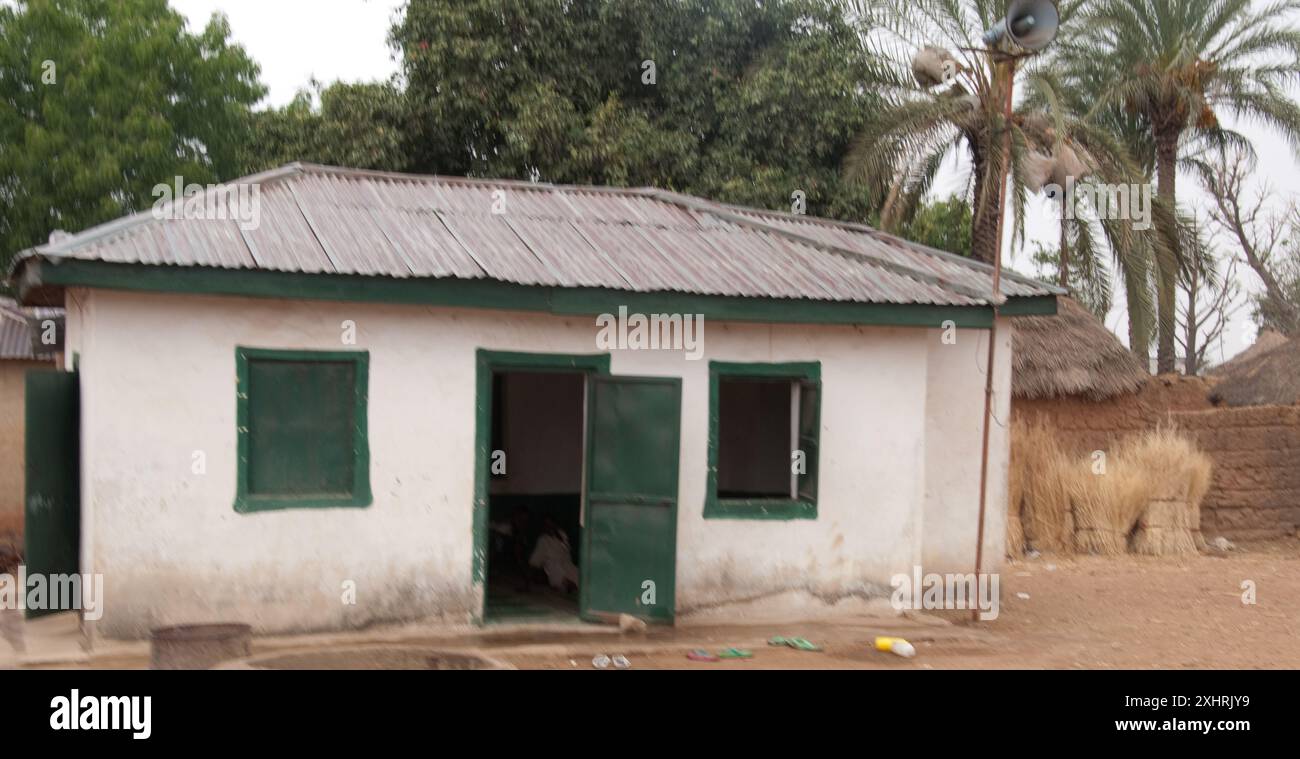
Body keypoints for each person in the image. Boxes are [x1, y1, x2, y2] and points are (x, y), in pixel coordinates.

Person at [529, 517, 578, 594]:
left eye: (551, 524)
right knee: (556, 569)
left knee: (577, 576)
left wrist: (560, 538)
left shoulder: (561, 534)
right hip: (553, 566)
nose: (549, 527)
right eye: (546, 525)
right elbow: (535, 561)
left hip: (566, 563)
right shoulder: (543, 539)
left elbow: (567, 550)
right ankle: (565, 585)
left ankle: (571, 585)